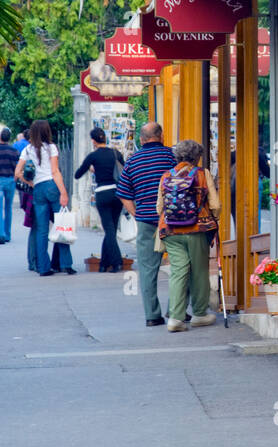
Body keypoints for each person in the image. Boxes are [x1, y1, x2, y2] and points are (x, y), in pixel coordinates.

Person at [155, 139, 220, 333]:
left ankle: (175, 318)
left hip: (170, 230)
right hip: (196, 229)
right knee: (199, 270)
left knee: (178, 272)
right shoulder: (203, 174)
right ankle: (200, 314)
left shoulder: (166, 175)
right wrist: (213, 219)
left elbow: (159, 207)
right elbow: (215, 205)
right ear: (197, 157)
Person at [116, 123, 176, 327]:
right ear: (161, 136)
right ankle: (175, 311)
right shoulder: (171, 156)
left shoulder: (132, 161)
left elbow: (123, 193)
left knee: (148, 269)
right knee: (180, 266)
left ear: (141, 139)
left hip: (146, 221)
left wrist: (136, 213)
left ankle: (152, 315)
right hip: (174, 220)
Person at [14, 119, 75, 277]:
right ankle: (66, 264)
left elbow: (17, 173)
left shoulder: (27, 149)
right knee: (61, 225)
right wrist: (63, 192)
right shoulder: (51, 148)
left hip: (38, 190)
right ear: (46, 131)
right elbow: (55, 172)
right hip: (52, 186)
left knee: (42, 230)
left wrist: (31, 182)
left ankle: (43, 268)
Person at [74, 127, 125, 272]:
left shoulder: (93, 156)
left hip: (103, 194)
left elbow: (77, 174)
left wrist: (92, 168)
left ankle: (117, 262)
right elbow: (125, 170)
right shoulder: (116, 153)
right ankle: (103, 264)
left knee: (109, 230)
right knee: (112, 230)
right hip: (117, 193)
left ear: (93, 141)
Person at [0, 127, 19, 243]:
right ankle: (7, 235)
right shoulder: (14, 151)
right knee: (8, 208)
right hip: (11, 180)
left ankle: (0, 233)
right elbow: (18, 168)